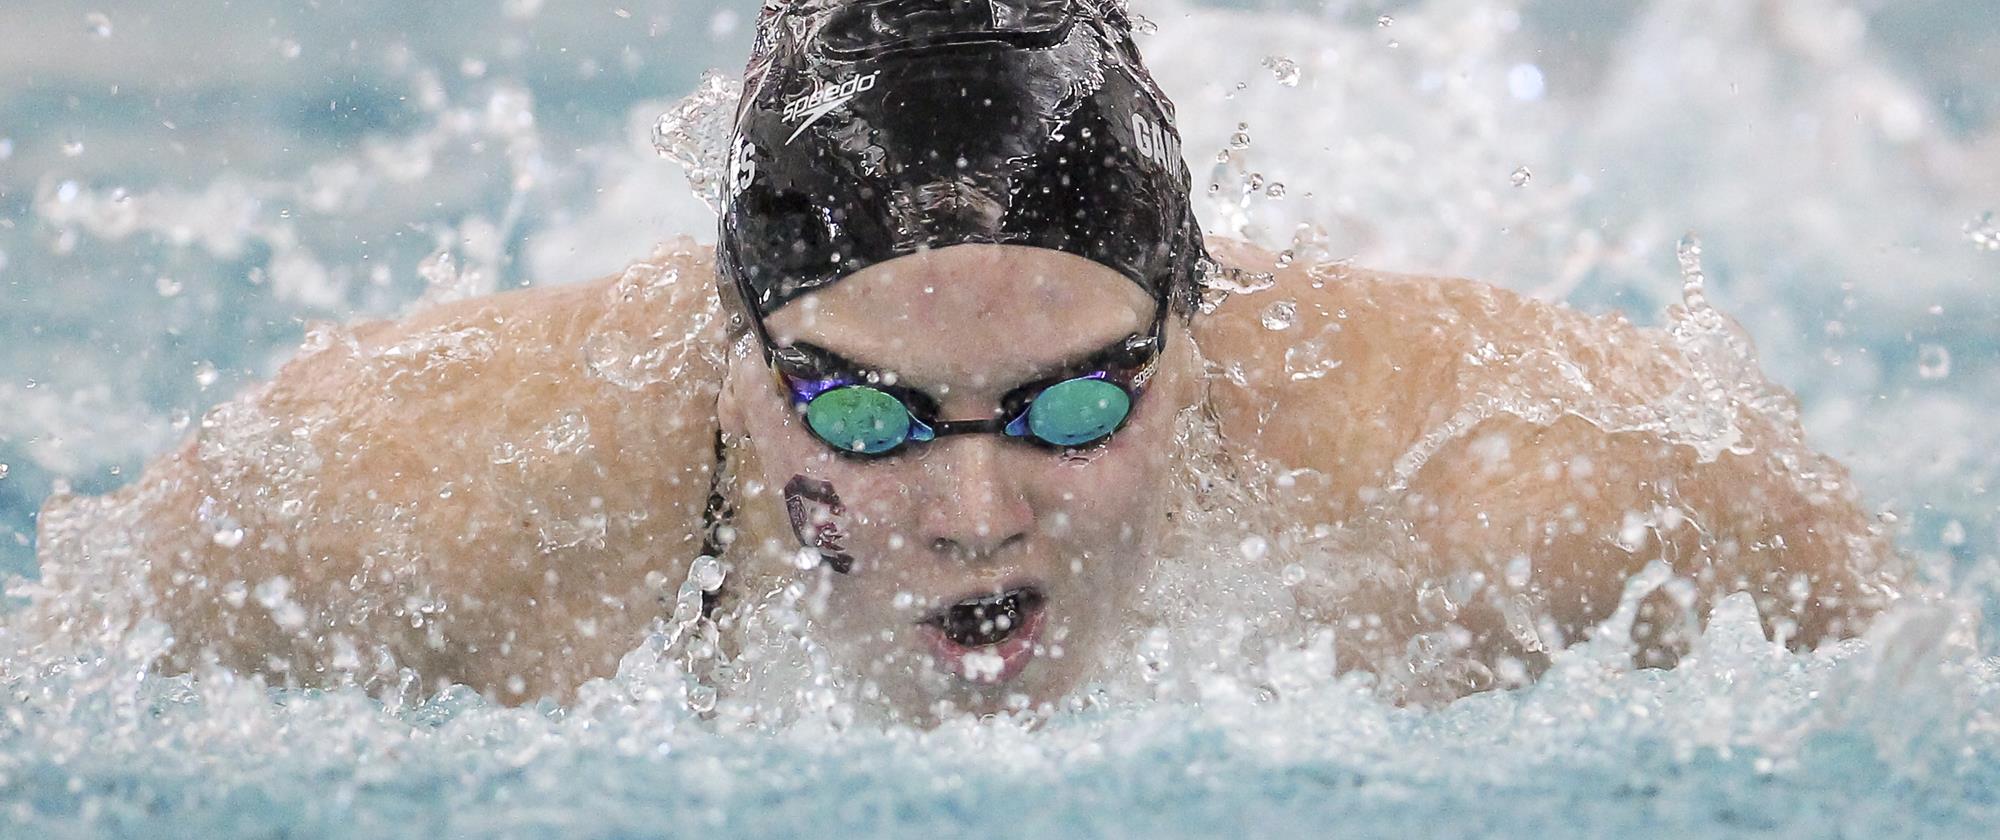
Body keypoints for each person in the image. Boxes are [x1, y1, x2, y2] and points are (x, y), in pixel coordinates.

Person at [29, 0, 1899, 719]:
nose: (974, 510)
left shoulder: (1517, 490)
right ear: (734, 355)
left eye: (1084, 400)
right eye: (859, 411)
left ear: (1202, 331)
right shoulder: (411, 500)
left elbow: (1914, 689)